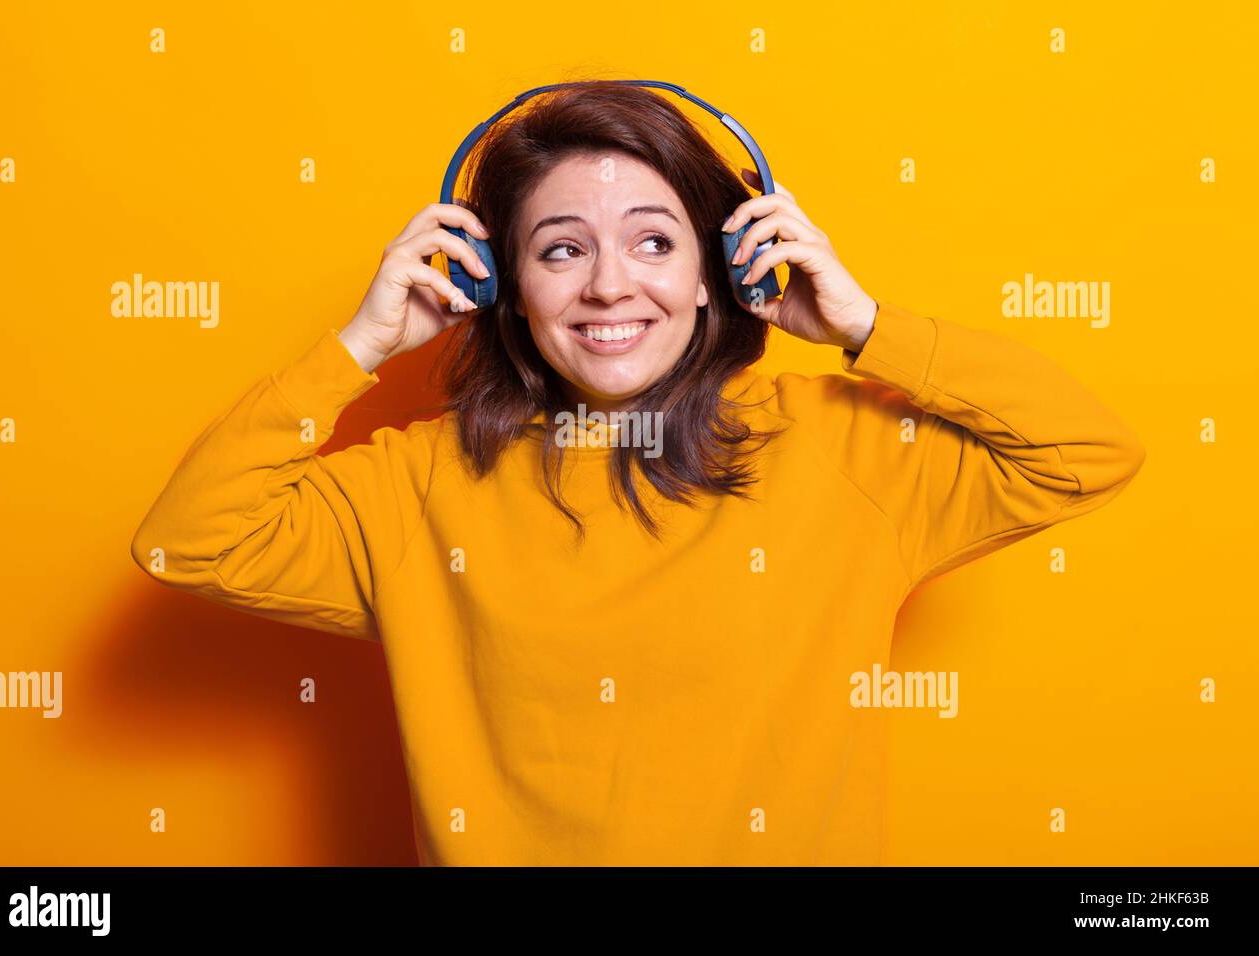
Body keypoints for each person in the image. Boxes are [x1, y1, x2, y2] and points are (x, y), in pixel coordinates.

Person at [130, 81, 1146, 865]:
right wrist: (355, 347)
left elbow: (1087, 448)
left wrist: (867, 327)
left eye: (653, 242)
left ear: (722, 268)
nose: (609, 283)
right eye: (560, 250)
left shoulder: (848, 452)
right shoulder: (415, 484)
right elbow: (188, 538)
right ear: (500, 286)